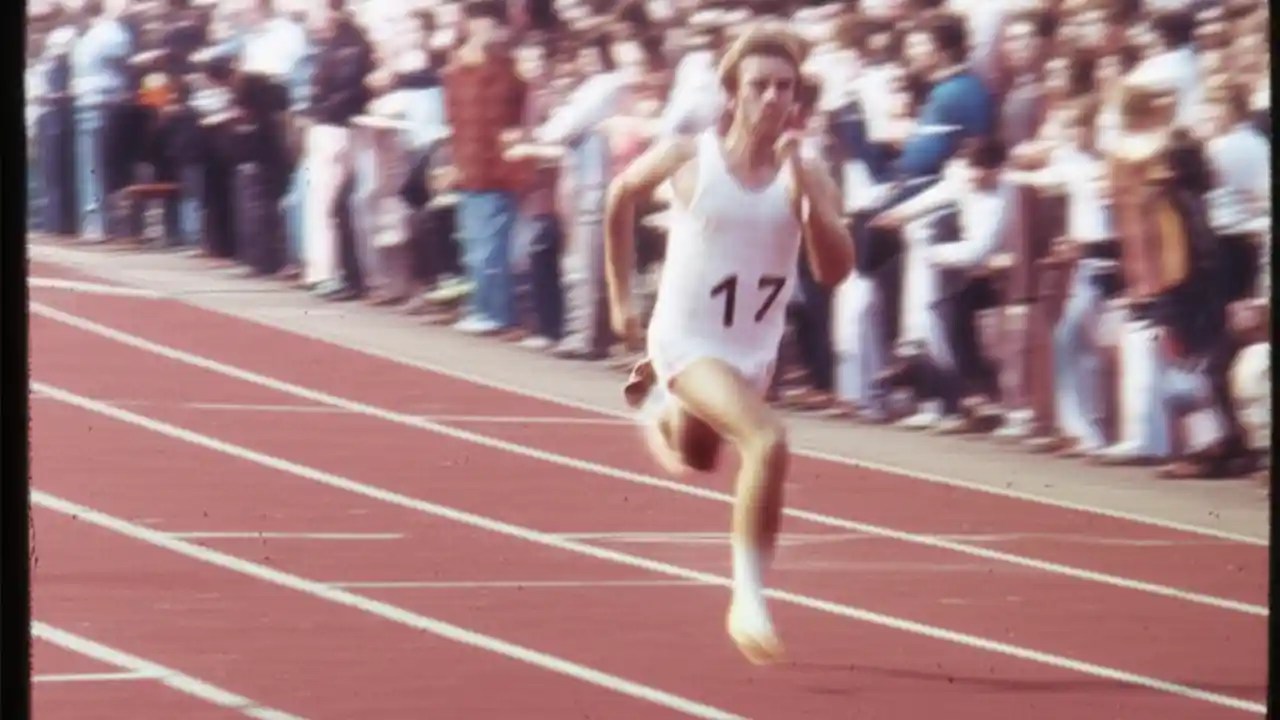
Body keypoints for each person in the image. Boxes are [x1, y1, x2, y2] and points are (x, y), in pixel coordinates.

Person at [602, 26, 854, 665]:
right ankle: (749, 600)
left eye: (784, 88)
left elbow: (834, 270)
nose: (772, 98)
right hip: (685, 338)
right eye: (759, 86)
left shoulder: (806, 172)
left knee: (697, 453)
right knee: (766, 441)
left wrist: (809, 197)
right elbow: (619, 196)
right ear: (733, 94)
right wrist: (620, 297)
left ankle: (657, 409)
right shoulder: (689, 157)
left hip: (752, 352)